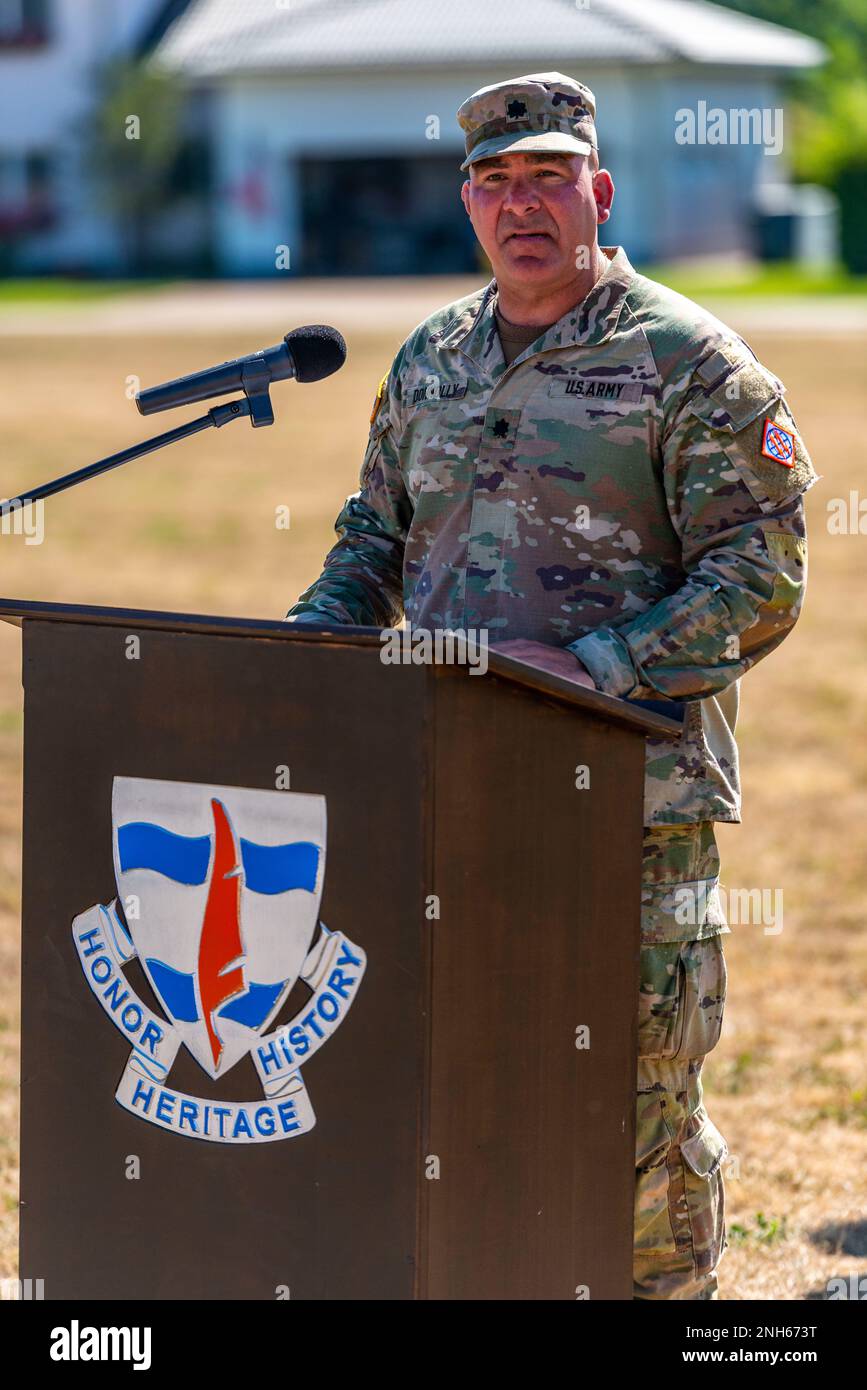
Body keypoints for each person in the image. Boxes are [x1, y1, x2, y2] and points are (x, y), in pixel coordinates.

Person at [286, 72, 818, 1299]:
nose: (521, 204)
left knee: (632, 1100)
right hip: (441, 785)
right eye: (495, 181)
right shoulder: (432, 358)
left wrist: (587, 671)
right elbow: (373, 540)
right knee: (454, 1078)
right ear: (467, 201)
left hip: (622, 793)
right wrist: (300, 668)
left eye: (547, 177)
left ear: (600, 190)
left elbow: (766, 574)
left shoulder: (690, 362)